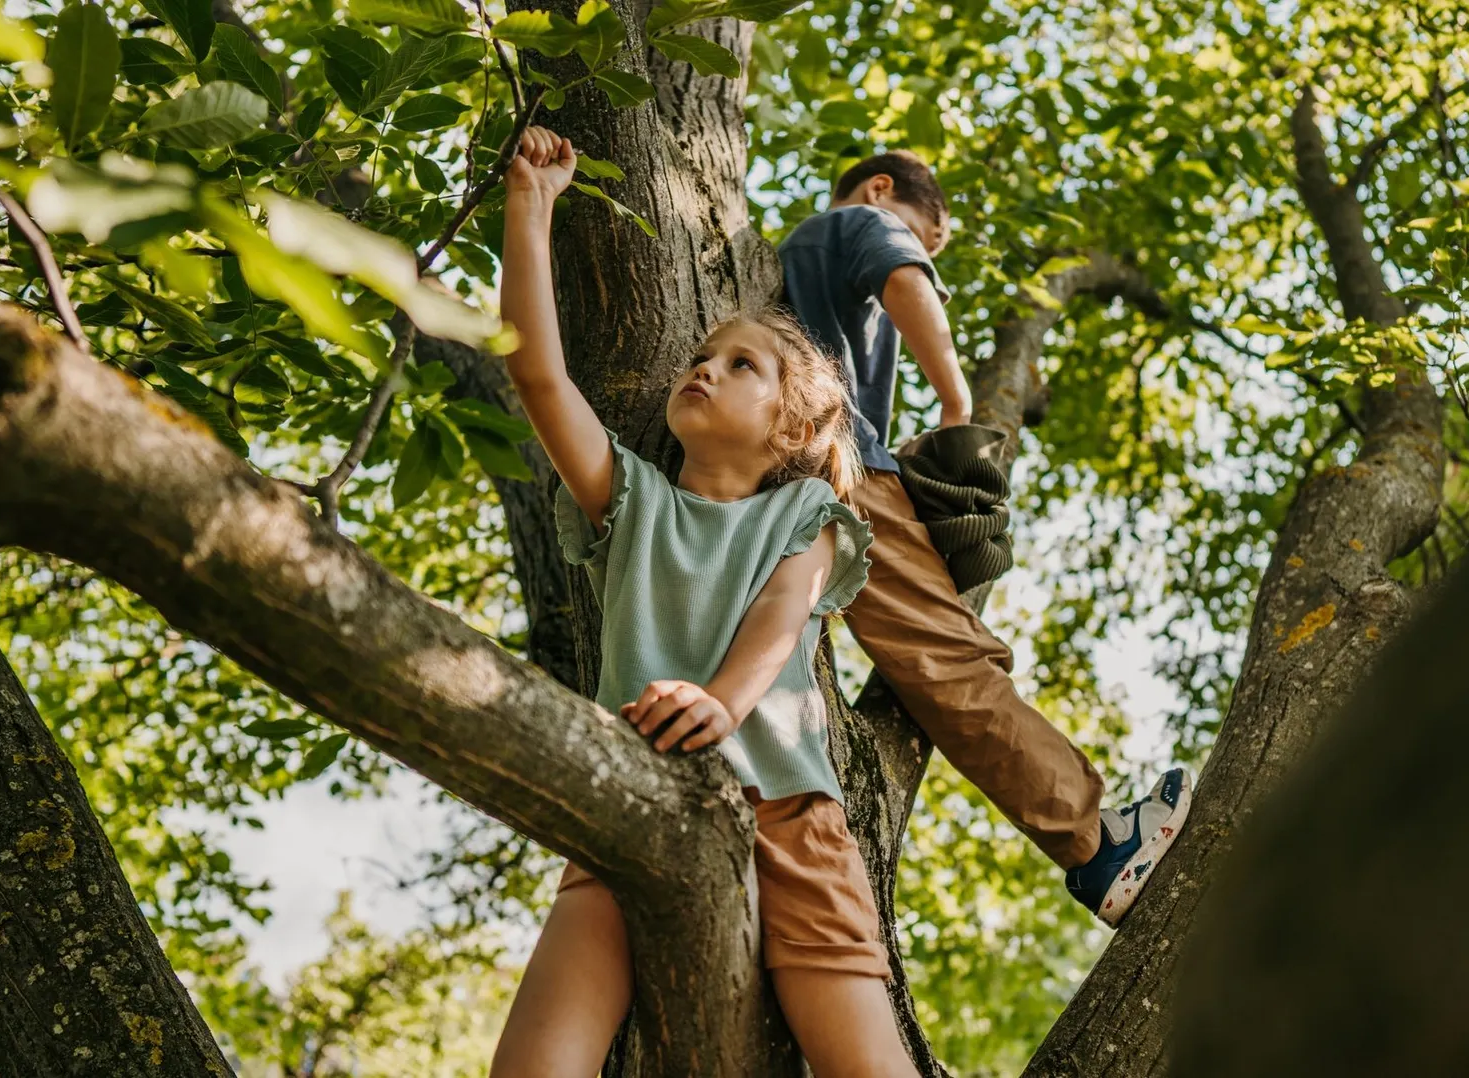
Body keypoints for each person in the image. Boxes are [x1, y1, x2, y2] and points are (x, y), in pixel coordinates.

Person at [488, 126, 918, 1078]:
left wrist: (720, 703)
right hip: (632, 799)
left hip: (791, 819)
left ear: (793, 425)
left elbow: (782, 618)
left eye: (741, 367)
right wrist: (531, 206)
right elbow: (538, 374)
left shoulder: (808, 512)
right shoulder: (631, 498)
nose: (707, 367)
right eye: (705, 353)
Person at [779, 151, 1191, 925]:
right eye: (929, 238)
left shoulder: (796, 267)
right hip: (840, 475)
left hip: (780, 488)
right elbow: (903, 282)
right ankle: (1099, 846)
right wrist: (955, 398)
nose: (925, 256)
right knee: (954, 663)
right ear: (880, 192)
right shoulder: (855, 221)